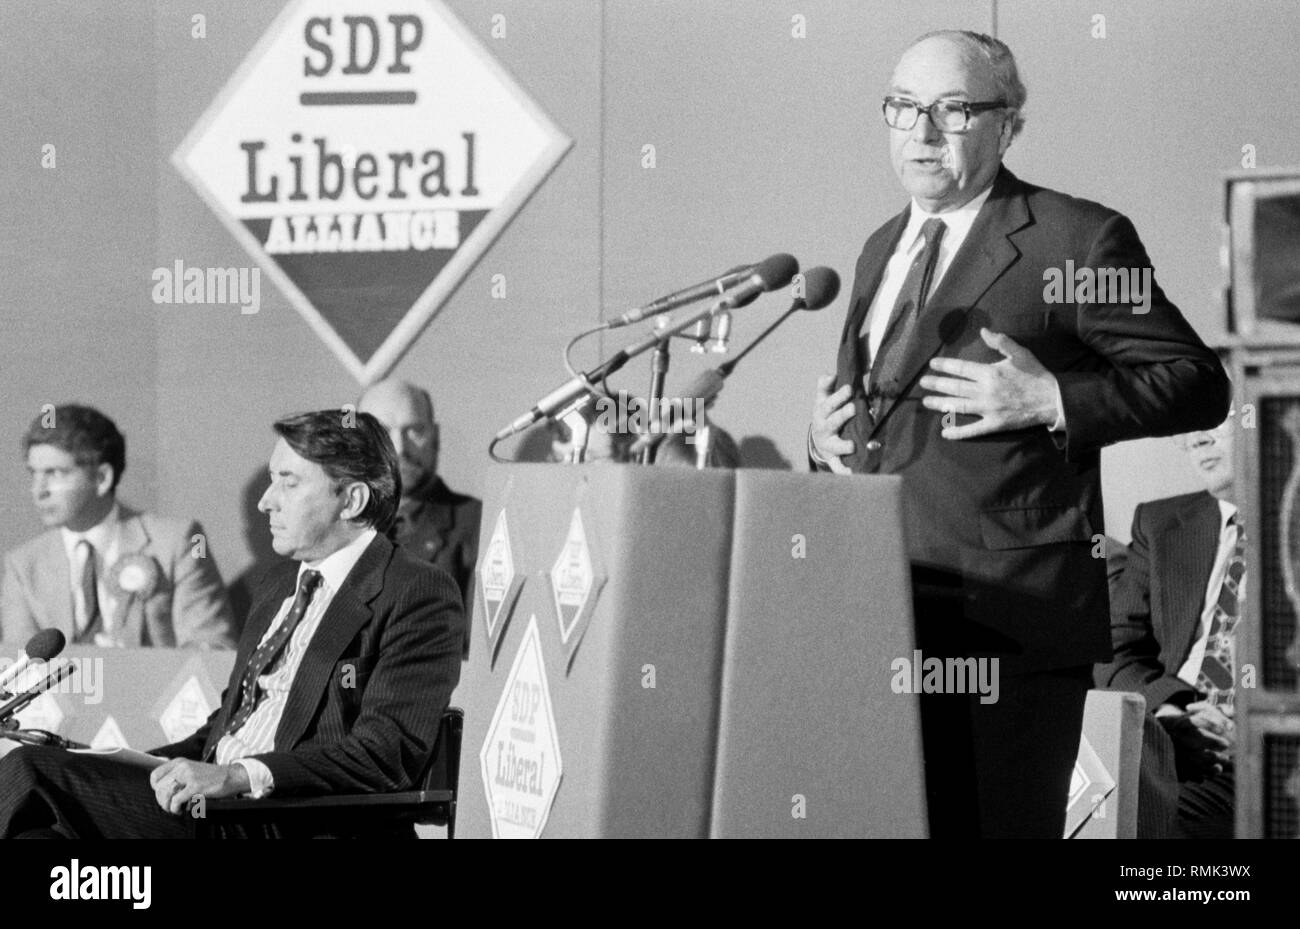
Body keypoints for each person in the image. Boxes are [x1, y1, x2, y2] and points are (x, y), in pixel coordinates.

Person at [808, 30, 1231, 837]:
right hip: (883, 607)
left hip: (1009, 624)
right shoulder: (877, 249)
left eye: (952, 109)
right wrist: (827, 441)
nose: (921, 134)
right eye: (902, 108)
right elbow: (882, 428)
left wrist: (1054, 400)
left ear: (1009, 125)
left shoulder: (1074, 239)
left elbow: (1196, 381)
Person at [0, 410, 464, 838]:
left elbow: (384, 755)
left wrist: (238, 775)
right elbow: (222, 732)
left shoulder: (415, 592)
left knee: (30, 770)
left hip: (285, 818)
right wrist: (124, 765)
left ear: (352, 499)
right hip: (214, 808)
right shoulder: (280, 584)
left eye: (288, 483)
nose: (266, 502)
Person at [1096, 413, 1241, 839]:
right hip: (1165, 742)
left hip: (1264, 757)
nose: (1196, 438)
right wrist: (1168, 713)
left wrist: (1252, 732)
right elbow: (1116, 651)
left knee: (1133, 820)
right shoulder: (1159, 524)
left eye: (1219, 418)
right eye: (1194, 422)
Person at [1, 404, 235, 649]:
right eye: (34, 474)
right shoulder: (23, 565)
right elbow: (19, 667)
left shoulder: (177, 542)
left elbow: (213, 647)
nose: (39, 491)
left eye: (55, 473)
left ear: (102, 479)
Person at [357, 381, 480, 634]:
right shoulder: (335, 529)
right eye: (382, 431)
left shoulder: (478, 525)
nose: (400, 448)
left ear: (435, 436)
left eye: (414, 430)